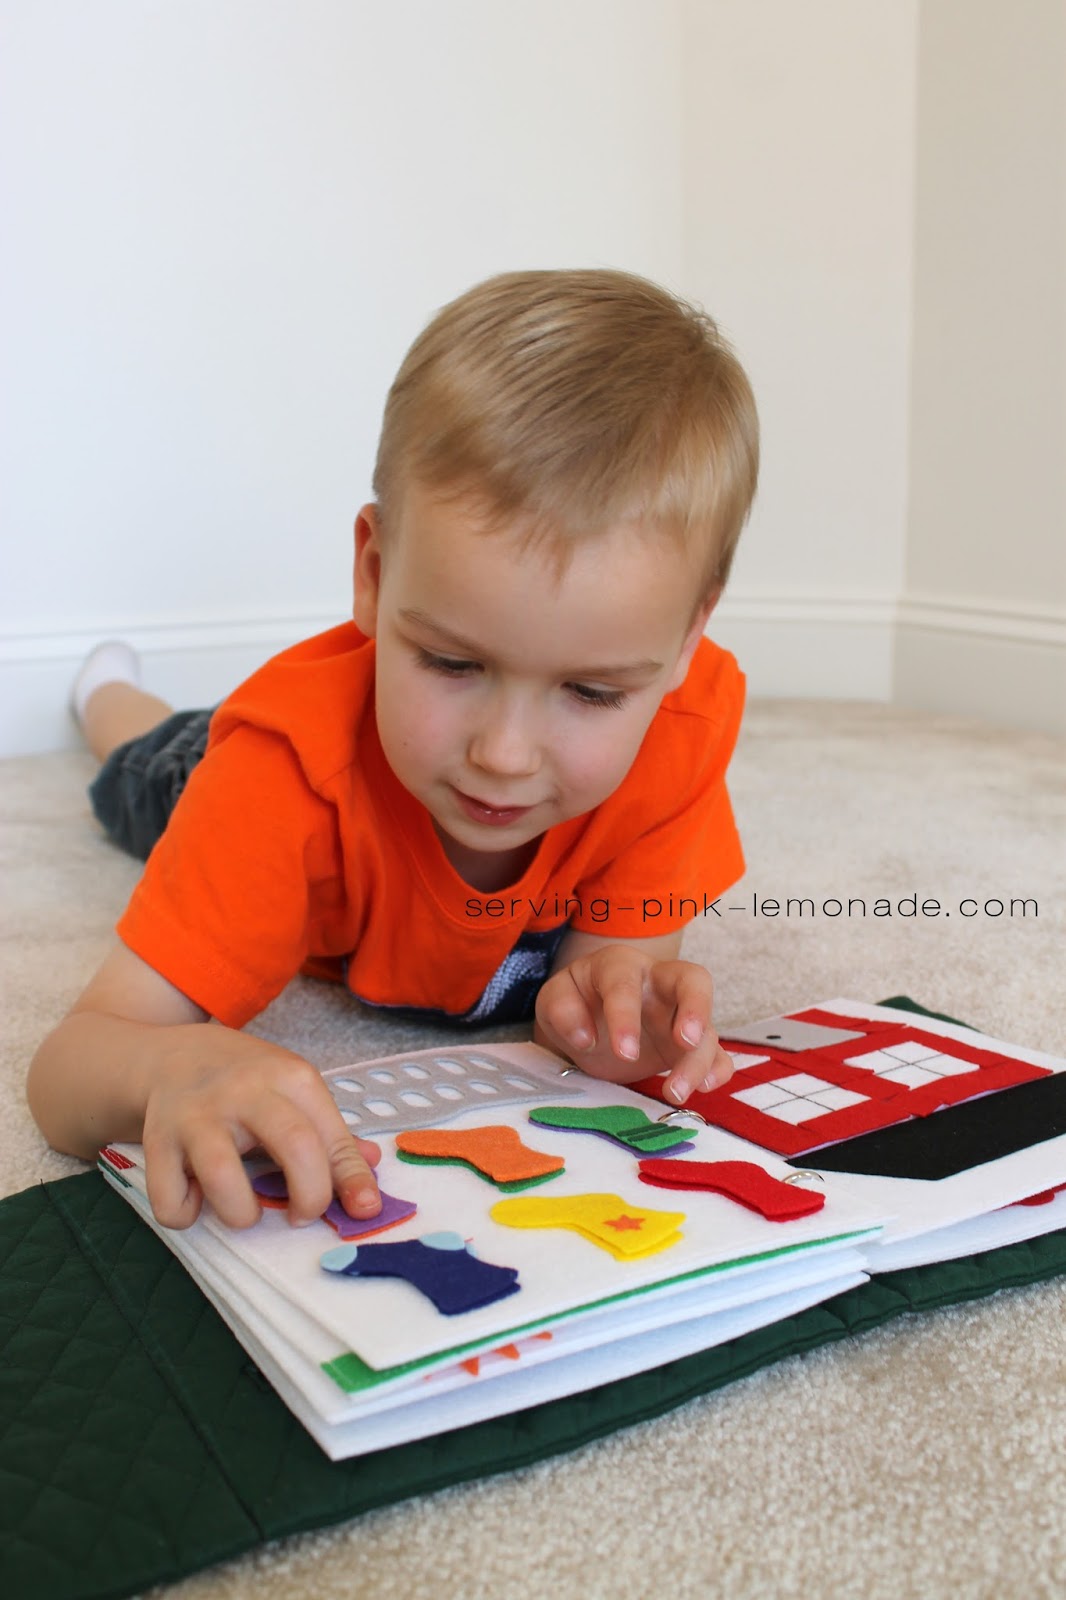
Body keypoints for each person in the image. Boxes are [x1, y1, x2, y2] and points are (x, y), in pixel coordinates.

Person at [27, 268, 759, 1236]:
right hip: (233, 772)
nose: (502, 754)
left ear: (685, 642)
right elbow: (64, 1069)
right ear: (372, 576)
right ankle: (103, 691)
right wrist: (169, 1065)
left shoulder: (686, 728)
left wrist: (615, 1018)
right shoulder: (278, 777)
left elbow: (605, 978)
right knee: (146, 763)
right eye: (452, 661)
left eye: (589, 691)